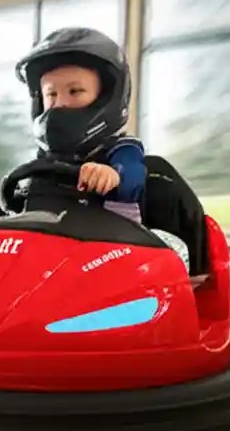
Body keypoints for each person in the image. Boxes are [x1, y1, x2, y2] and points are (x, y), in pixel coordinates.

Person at [13, 27, 210, 277]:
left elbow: (129, 174)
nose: (60, 103)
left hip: (120, 280)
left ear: (107, 96)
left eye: (75, 91)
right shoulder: (36, 172)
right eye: (51, 94)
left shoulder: (127, 154)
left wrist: (110, 176)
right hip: (55, 282)